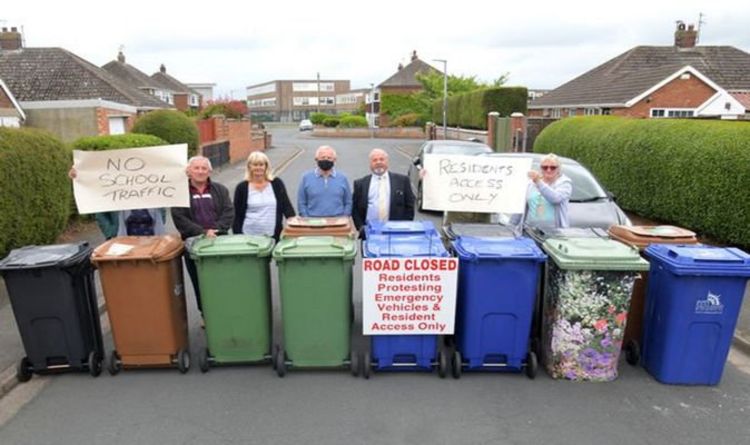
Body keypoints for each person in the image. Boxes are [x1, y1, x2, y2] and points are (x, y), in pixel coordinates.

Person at [171, 156, 234, 314]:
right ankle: (205, 314)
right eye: (196, 168)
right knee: (199, 282)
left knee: (223, 280)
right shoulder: (180, 193)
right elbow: (179, 218)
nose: (200, 171)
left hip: (219, 241)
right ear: (189, 171)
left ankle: (225, 311)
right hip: (194, 244)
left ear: (209, 171)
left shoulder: (220, 190)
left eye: (204, 168)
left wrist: (216, 229)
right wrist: (203, 232)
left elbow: (228, 212)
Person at [68, 167, 166, 238]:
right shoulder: (114, 193)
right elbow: (99, 211)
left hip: (154, 243)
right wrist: (110, 233)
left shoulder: (154, 193)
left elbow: (162, 214)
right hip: (121, 243)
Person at [233, 151, 295, 241]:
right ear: (249, 166)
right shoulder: (242, 188)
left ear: (266, 166)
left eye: (261, 164)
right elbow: (237, 215)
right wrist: (238, 236)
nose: (258, 168)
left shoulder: (276, 183)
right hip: (248, 236)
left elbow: (287, 206)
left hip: (273, 236)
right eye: (255, 165)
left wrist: (293, 225)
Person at [352, 148, 415, 237]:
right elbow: (355, 209)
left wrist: (403, 226)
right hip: (370, 232)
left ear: (387, 161)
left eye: (382, 159)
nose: (378, 162)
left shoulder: (402, 181)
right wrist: (361, 227)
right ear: (370, 164)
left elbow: (410, 206)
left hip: (396, 232)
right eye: (375, 160)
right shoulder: (360, 184)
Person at [297, 145, 352, 217]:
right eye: (323, 157)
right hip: (313, 222)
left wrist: (344, 217)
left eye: (329, 158)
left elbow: (348, 202)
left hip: (337, 222)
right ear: (316, 159)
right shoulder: (306, 178)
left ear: (334, 160)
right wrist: (306, 218)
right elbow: (301, 202)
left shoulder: (342, 178)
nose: (326, 160)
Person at [523, 153, 572, 229]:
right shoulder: (531, 183)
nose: (548, 170)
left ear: (558, 169)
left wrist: (538, 182)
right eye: (545, 167)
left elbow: (556, 198)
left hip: (555, 232)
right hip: (530, 230)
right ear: (541, 168)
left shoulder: (565, 183)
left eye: (553, 167)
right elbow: (522, 206)